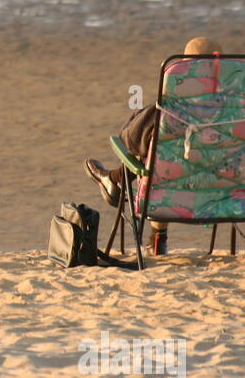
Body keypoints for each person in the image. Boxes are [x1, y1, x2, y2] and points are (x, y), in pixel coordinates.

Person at [83, 36, 223, 255]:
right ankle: (113, 180)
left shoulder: (166, 112)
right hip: (224, 196)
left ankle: (114, 182)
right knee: (162, 149)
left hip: (173, 190)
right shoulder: (244, 114)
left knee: (155, 152)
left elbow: (128, 138)